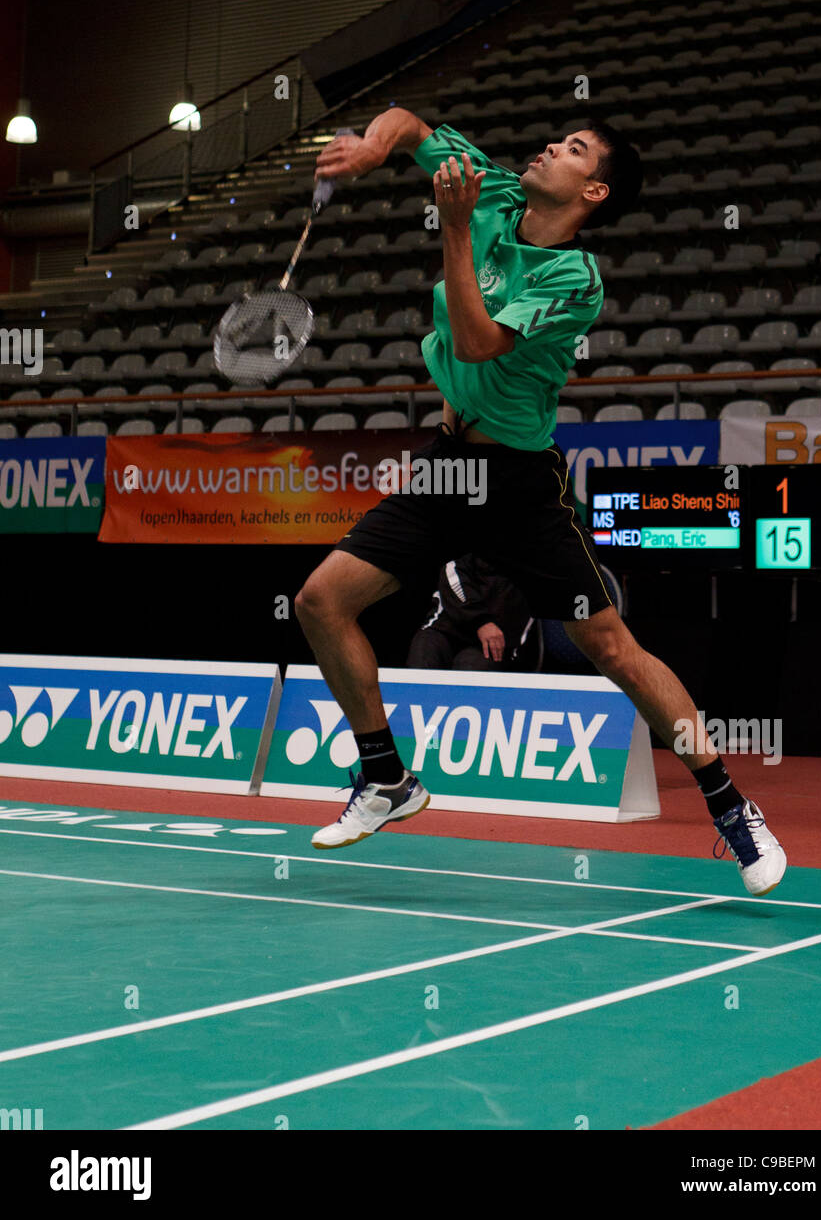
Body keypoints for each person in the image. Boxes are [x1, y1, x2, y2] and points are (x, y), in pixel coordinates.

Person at [294, 109, 786, 895]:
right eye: (559, 137)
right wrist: (370, 148)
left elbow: (479, 342)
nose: (552, 145)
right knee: (320, 601)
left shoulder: (574, 278)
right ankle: (385, 776)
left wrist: (455, 232)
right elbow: (411, 123)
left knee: (611, 648)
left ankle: (731, 807)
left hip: (520, 482)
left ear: (592, 189)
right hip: (449, 463)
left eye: (575, 149)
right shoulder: (488, 187)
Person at [407, 554, 537, 672]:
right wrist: (480, 621)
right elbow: (451, 572)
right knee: (424, 654)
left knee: (470, 671)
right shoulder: (471, 544)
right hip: (447, 628)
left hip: (494, 641)